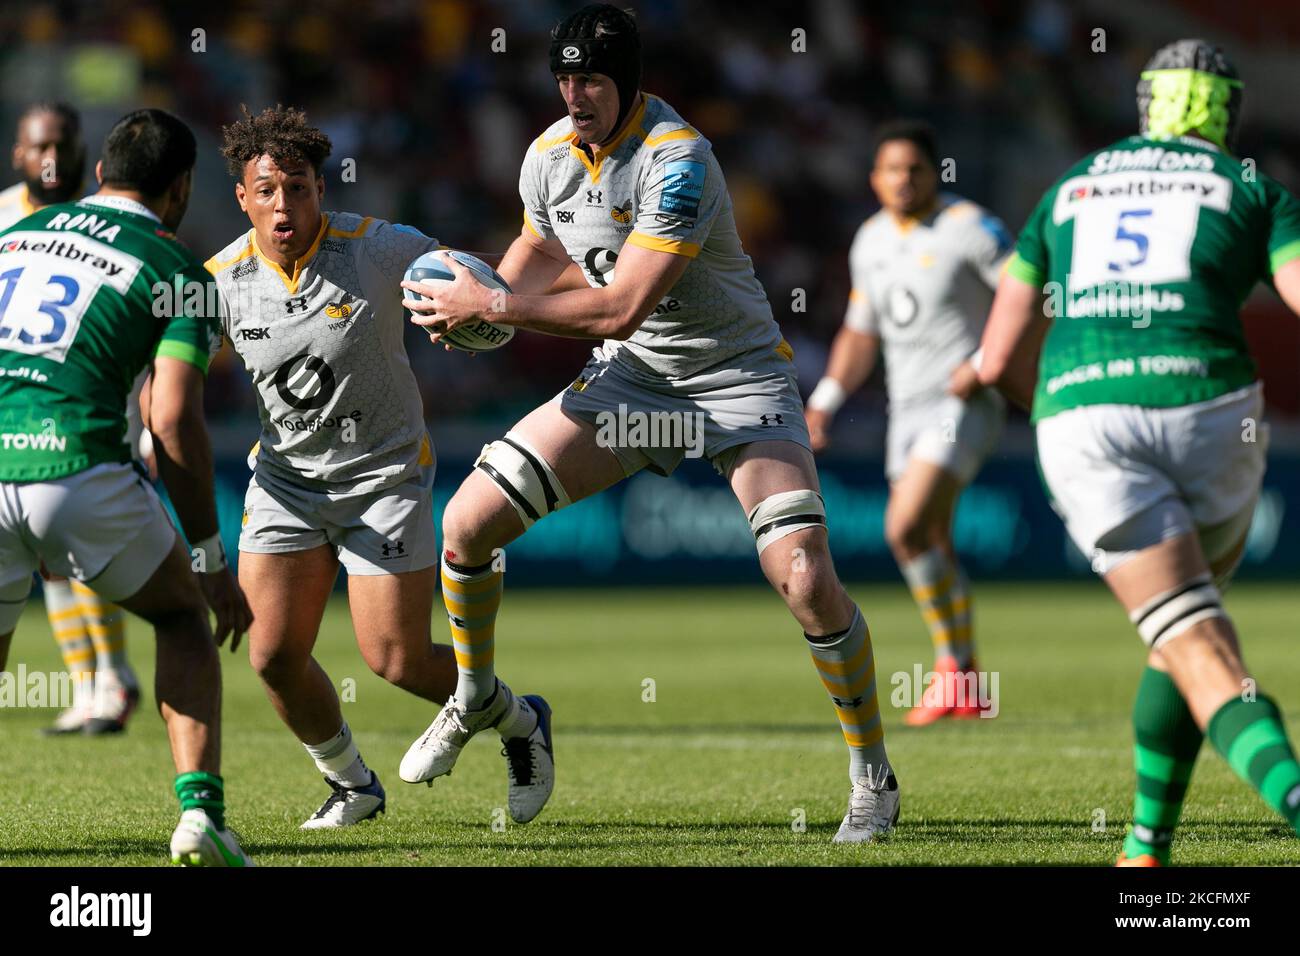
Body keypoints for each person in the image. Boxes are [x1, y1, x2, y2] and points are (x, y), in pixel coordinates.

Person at [401, 3, 899, 842]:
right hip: (635, 388)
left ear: (628, 79)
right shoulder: (548, 156)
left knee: (807, 577)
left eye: (590, 78)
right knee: (465, 524)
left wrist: (497, 305)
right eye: (563, 78)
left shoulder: (680, 162)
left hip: (734, 379)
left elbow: (621, 307)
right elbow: (533, 262)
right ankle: (479, 698)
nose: (574, 93)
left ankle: (871, 776)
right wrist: (473, 312)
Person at [960, 39, 1300, 865]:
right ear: (1226, 111)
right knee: (1188, 629)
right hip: (1212, 408)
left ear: (1145, 103)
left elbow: (998, 359)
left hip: (1088, 414)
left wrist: (1057, 414)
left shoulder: (1069, 187)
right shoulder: (1253, 185)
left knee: (1190, 637)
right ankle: (1146, 845)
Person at [207, 105, 550, 829]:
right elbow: (180, 366)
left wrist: (473, 310)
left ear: (320, 191)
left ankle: (520, 720)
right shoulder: (221, 281)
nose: (282, 206)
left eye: (296, 187)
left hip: (382, 477)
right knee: (269, 655)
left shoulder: (378, 247)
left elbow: (463, 281)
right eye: (265, 190)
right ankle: (351, 786)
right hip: (285, 484)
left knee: (392, 660)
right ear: (242, 198)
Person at [0, 108, 254, 865]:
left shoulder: (11, 237)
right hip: (78, 467)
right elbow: (172, 419)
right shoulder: (179, 269)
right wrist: (210, 558)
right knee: (180, 619)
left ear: (100, 174)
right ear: (179, 189)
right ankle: (199, 816)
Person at [805, 120, 1012, 725]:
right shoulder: (869, 240)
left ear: (935, 172)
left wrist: (985, 362)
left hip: (964, 402)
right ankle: (966, 678)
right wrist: (826, 399)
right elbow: (859, 332)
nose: (904, 179)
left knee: (904, 526)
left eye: (915, 168)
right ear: (875, 179)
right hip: (908, 410)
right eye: (892, 169)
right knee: (931, 538)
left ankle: (953, 672)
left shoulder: (970, 228)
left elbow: (1027, 296)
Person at [0, 101, 144, 735]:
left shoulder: (100, 221)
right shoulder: (3, 217)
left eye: (62, 145)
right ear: (18, 155)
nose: (51, 159)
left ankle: (112, 677)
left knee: (76, 549)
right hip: (19, 405)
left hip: (93, 404)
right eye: (39, 147)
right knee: (46, 555)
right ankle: (92, 686)